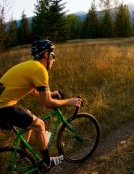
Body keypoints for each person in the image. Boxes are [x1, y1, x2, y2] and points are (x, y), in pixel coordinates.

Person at [0, 39, 82, 170]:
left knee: (31, 120)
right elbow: (47, 103)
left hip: (4, 105)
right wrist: (69, 102)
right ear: (46, 55)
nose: (54, 60)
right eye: (53, 55)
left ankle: (23, 156)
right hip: (3, 107)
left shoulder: (31, 65)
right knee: (39, 125)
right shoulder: (40, 70)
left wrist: (51, 93)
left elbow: (32, 90)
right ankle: (46, 163)